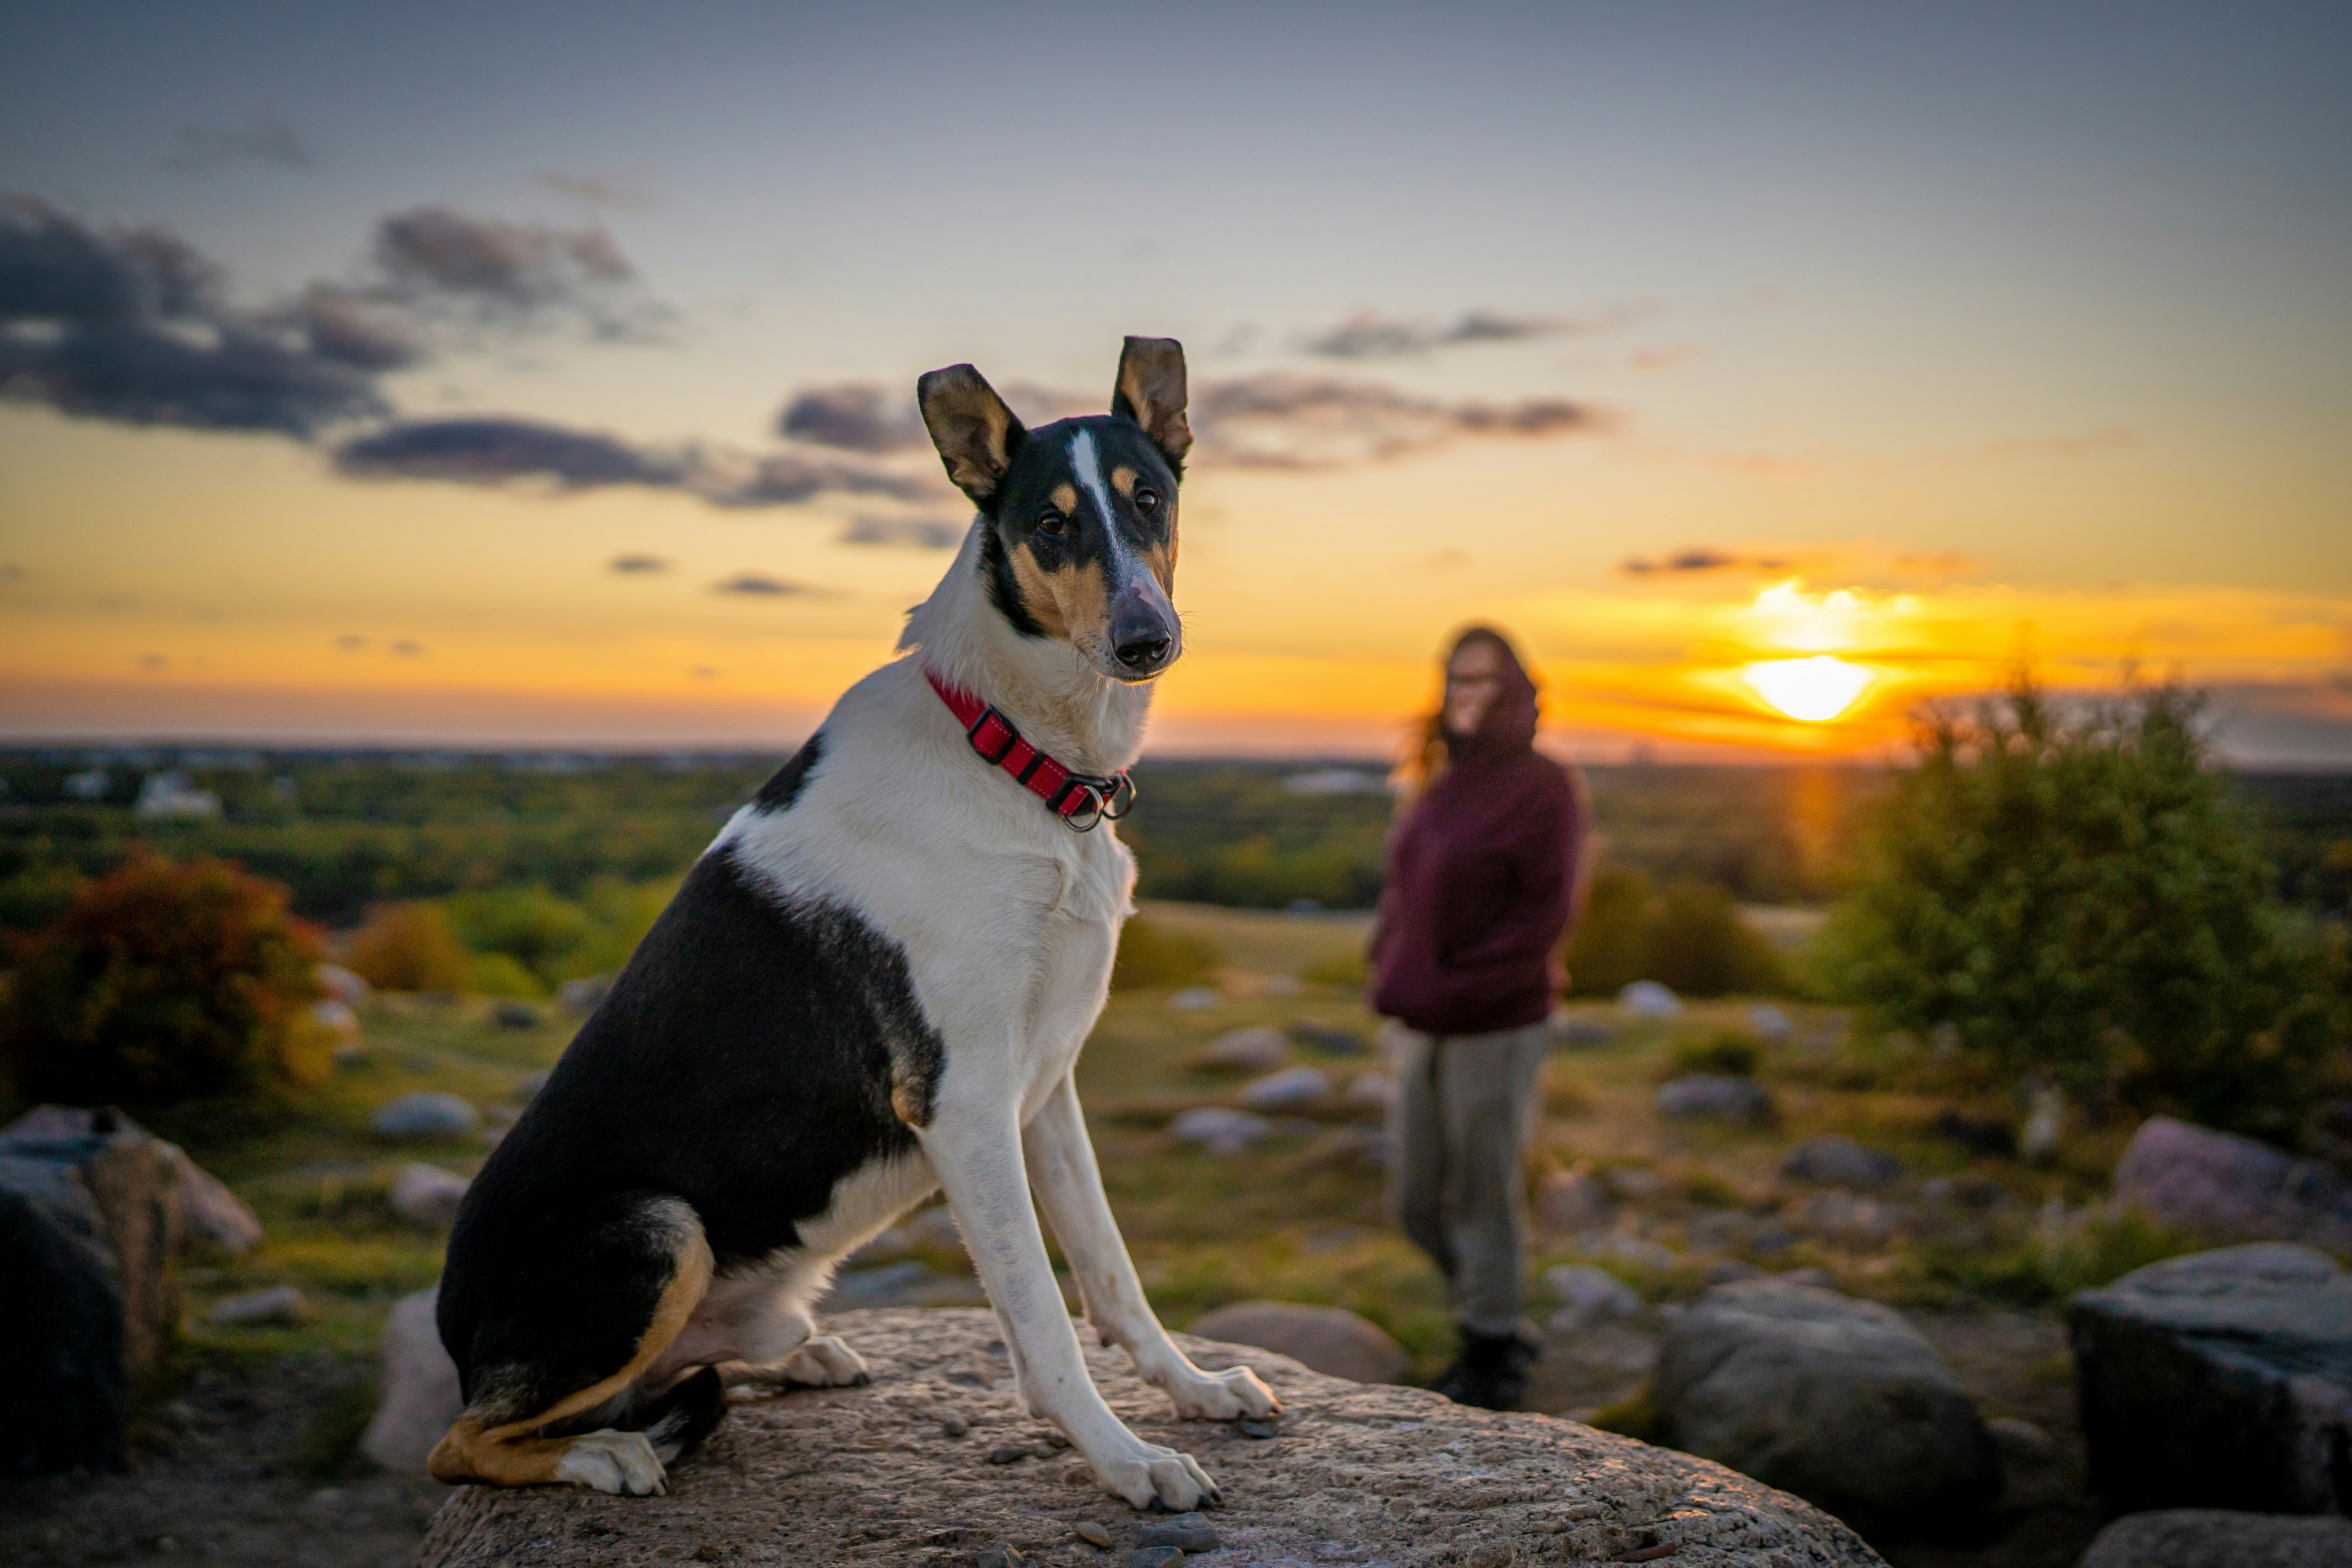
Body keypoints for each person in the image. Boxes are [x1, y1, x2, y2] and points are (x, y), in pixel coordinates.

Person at [1370, 625, 1589, 1410]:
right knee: (1415, 1199)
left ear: (1516, 692)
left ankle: (1493, 1353)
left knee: (1485, 1186)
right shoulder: (1440, 784)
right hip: (1421, 1019)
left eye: (1483, 683)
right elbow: (1403, 897)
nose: (1465, 698)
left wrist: (1457, 988)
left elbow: (1544, 916)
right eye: (1455, 682)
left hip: (1498, 1022)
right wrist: (1387, 966)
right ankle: (1491, 1310)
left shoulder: (1544, 785)